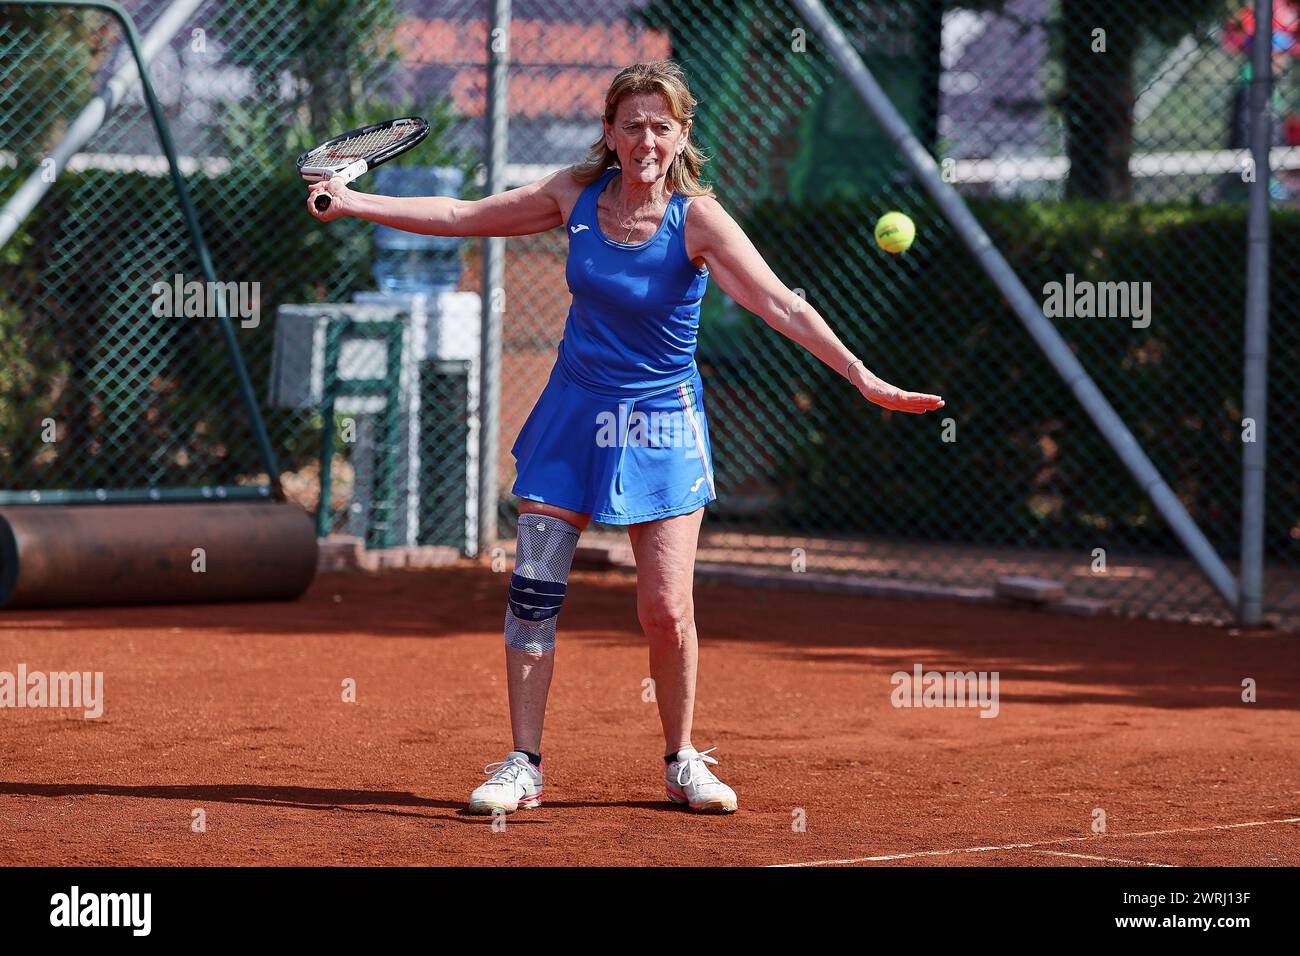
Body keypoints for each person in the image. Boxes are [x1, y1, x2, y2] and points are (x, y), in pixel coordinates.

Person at [308, 60, 944, 815]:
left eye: (661, 127)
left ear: (680, 138)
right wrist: (351, 203)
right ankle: (523, 763)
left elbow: (781, 304)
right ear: (610, 133)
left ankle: (681, 761)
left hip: (662, 429)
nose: (646, 140)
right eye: (633, 125)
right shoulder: (572, 196)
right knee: (534, 592)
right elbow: (461, 214)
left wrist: (862, 376)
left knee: (666, 611)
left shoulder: (699, 220)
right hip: (573, 421)